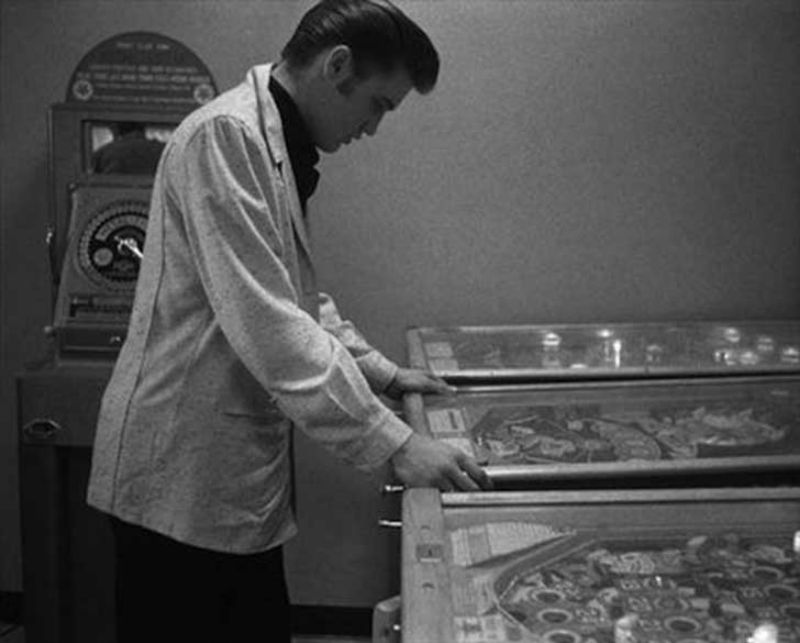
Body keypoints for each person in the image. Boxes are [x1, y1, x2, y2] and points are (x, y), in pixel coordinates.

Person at [86, 2, 491, 642]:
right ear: (338, 66)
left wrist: (385, 375)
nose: (372, 128)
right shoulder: (225, 137)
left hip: (221, 476)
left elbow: (297, 297)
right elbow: (270, 324)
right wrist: (396, 444)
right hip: (177, 474)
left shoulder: (274, 143)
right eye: (379, 106)